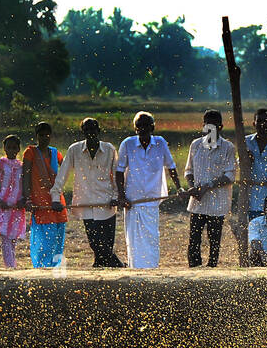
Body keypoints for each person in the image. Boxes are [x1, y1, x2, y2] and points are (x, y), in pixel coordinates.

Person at [50, 118, 122, 268]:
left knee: (106, 244)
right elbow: (63, 174)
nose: (91, 133)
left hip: (106, 203)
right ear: (83, 132)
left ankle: (101, 268)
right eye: (87, 130)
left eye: (93, 130)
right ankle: (118, 266)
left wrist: (116, 196)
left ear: (99, 131)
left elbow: (115, 174)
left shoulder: (109, 149)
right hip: (85, 204)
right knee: (95, 243)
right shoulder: (74, 150)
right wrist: (56, 197)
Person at [116, 111, 180, 268]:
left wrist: (179, 188)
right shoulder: (128, 144)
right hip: (133, 201)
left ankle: (151, 268)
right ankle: (136, 268)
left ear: (153, 127)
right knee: (134, 238)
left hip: (152, 200)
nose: (142, 130)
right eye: (139, 127)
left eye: (146, 126)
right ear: (135, 128)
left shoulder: (160, 143)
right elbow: (119, 171)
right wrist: (122, 197)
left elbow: (171, 166)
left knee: (151, 237)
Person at [183, 110, 236, 267]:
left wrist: (208, 186)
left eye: (214, 125)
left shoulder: (228, 147)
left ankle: (212, 270)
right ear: (203, 125)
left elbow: (229, 176)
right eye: (207, 124)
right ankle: (194, 270)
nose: (210, 127)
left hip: (217, 204)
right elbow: (188, 171)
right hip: (198, 202)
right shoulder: (196, 145)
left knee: (214, 242)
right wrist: (192, 187)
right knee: (194, 240)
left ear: (220, 127)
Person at [22, 121, 68, 268]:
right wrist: (27, 198)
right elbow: (26, 175)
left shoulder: (55, 153)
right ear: (36, 136)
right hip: (39, 201)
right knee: (43, 241)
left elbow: (66, 168)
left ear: (51, 136)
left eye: (47, 135)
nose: (44, 138)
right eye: (41, 135)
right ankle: (42, 269)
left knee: (57, 239)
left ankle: (55, 268)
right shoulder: (30, 152)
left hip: (56, 200)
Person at [0, 135, 27, 267]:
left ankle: (12, 263)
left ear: (18, 149)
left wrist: (23, 200)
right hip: (3, 204)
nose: (11, 150)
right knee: (5, 236)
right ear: (4, 148)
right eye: (9, 147)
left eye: (14, 147)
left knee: (13, 237)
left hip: (17, 206)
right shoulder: (0, 163)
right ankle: (10, 265)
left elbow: (24, 185)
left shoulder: (21, 166)